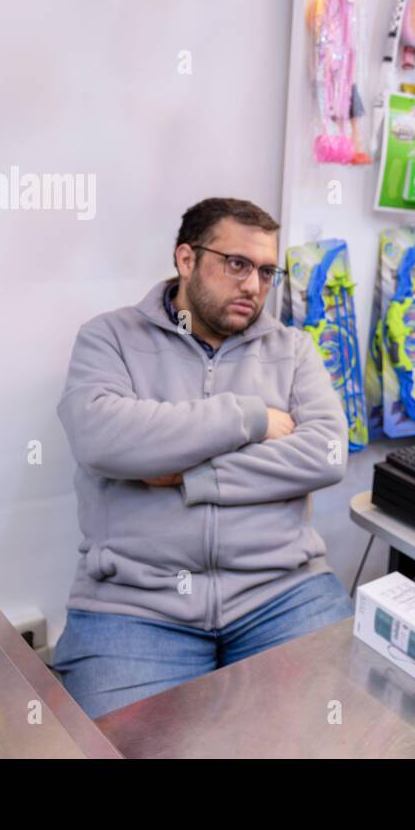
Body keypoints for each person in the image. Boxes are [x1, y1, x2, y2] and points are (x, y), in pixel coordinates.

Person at [52, 197, 352, 718]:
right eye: (236, 264)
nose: (253, 285)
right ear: (186, 259)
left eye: (266, 271)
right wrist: (250, 418)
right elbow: (101, 437)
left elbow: (326, 454)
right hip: (136, 603)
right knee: (120, 748)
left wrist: (191, 473)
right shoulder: (110, 338)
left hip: (282, 592)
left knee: (345, 728)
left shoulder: (293, 349)